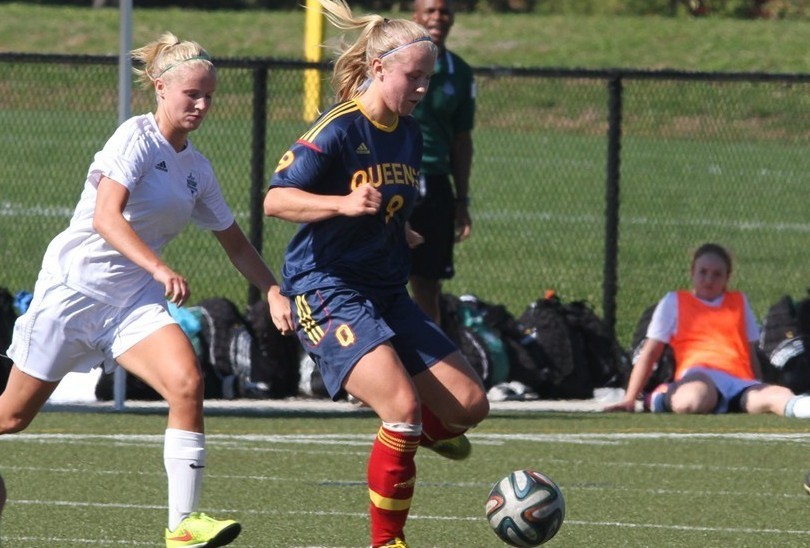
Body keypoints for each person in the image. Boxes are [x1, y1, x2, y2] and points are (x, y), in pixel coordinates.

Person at [1, 32, 292, 548]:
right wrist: (160, 268)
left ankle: (182, 525)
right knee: (13, 416)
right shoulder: (134, 138)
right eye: (191, 94)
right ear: (160, 87)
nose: (201, 105)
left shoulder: (197, 169)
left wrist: (271, 289)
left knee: (187, 382)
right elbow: (106, 217)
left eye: (209, 96)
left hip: (132, 302)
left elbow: (235, 243)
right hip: (74, 292)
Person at [263, 1, 489, 546]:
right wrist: (341, 205)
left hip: (385, 291)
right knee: (402, 408)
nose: (422, 88)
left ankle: (413, 435)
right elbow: (275, 200)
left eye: (428, 78)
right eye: (414, 77)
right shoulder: (338, 129)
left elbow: (387, 200)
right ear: (379, 67)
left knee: (469, 406)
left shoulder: (409, 132)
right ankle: (388, 541)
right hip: (326, 290)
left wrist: (399, 228)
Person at [605, 243, 810, 418]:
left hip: (739, 382)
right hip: (699, 374)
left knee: (778, 396)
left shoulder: (739, 302)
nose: (709, 280)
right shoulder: (674, 301)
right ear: (692, 272)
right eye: (703, 272)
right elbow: (650, 353)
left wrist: (758, 384)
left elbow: (751, 353)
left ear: (727, 278)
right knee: (693, 402)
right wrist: (630, 398)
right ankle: (659, 396)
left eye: (717, 274)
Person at [408, 0, 475, 324]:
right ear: (415, 15)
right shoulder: (393, 62)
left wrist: (461, 201)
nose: (437, 17)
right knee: (374, 276)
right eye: (430, 10)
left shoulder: (460, 72)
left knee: (427, 283)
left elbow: (462, 140)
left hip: (435, 185)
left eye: (444, 11)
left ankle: (427, 352)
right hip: (390, 178)